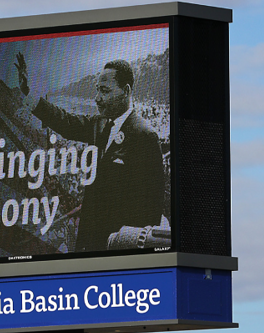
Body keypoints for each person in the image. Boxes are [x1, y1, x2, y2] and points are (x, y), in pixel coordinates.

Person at [23, 59, 165, 253]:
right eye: (97, 90)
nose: (97, 98)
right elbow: (66, 122)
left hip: (117, 248)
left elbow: (151, 210)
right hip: (89, 241)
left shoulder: (145, 136)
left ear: (126, 91)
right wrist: (29, 95)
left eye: (105, 91)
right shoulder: (100, 123)